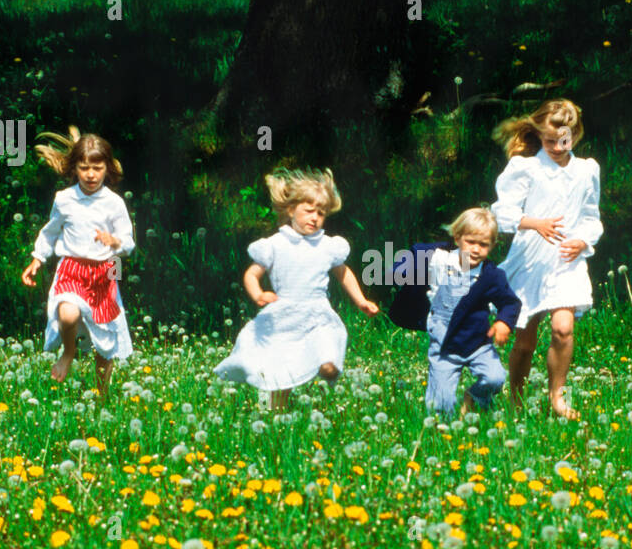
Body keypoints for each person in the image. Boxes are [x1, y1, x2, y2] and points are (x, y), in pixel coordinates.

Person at [214, 168, 378, 409]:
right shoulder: (274, 245)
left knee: (328, 350)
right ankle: (273, 412)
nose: (315, 218)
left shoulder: (327, 246)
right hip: (284, 315)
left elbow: (343, 273)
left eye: (321, 213)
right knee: (281, 370)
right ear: (291, 210)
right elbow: (251, 274)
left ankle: (328, 368)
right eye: (309, 211)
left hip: (317, 313)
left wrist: (361, 301)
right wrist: (258, 294)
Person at [490, 98, 602, 419]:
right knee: (525, 342)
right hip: (530, 261)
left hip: (567, 260)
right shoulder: (526, 168)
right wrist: (534, 223)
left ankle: (557, 397)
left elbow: (592, 217)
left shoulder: (585, 170)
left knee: (563, 329)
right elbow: (503, 212)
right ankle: (516, 399)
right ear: (539, 135)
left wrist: (582, 240)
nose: (556, 146)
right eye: (549, 140)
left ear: (575, 136)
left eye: (563, 140)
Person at [21, 127, 134, 396]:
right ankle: (68, 353)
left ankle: (103, 394)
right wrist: (37, 258)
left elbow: (128, 243)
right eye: (84, 168)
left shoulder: (114, 203)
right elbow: (49, 232)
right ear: (75, 168)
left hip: (106, 271)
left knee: (105, 340)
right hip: (70, 268)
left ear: (107, 167)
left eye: (97, 167)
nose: (91, 174)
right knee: (67, 313)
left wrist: (115, 242)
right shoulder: (64, 199)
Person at [388, 208, 520, 415]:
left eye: (483, 245)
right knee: (441, 402)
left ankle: (475, 397)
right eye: (471, 242)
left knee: (495, 377)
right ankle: (440, 432)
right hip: (444, 340)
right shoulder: (439, 259)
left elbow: (510, 302)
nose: (476, 249)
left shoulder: (492, 275)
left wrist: (504, 321)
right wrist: (400, 271)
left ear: (492, 246)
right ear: (457, 238)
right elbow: (412, 257)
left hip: (478, 341)